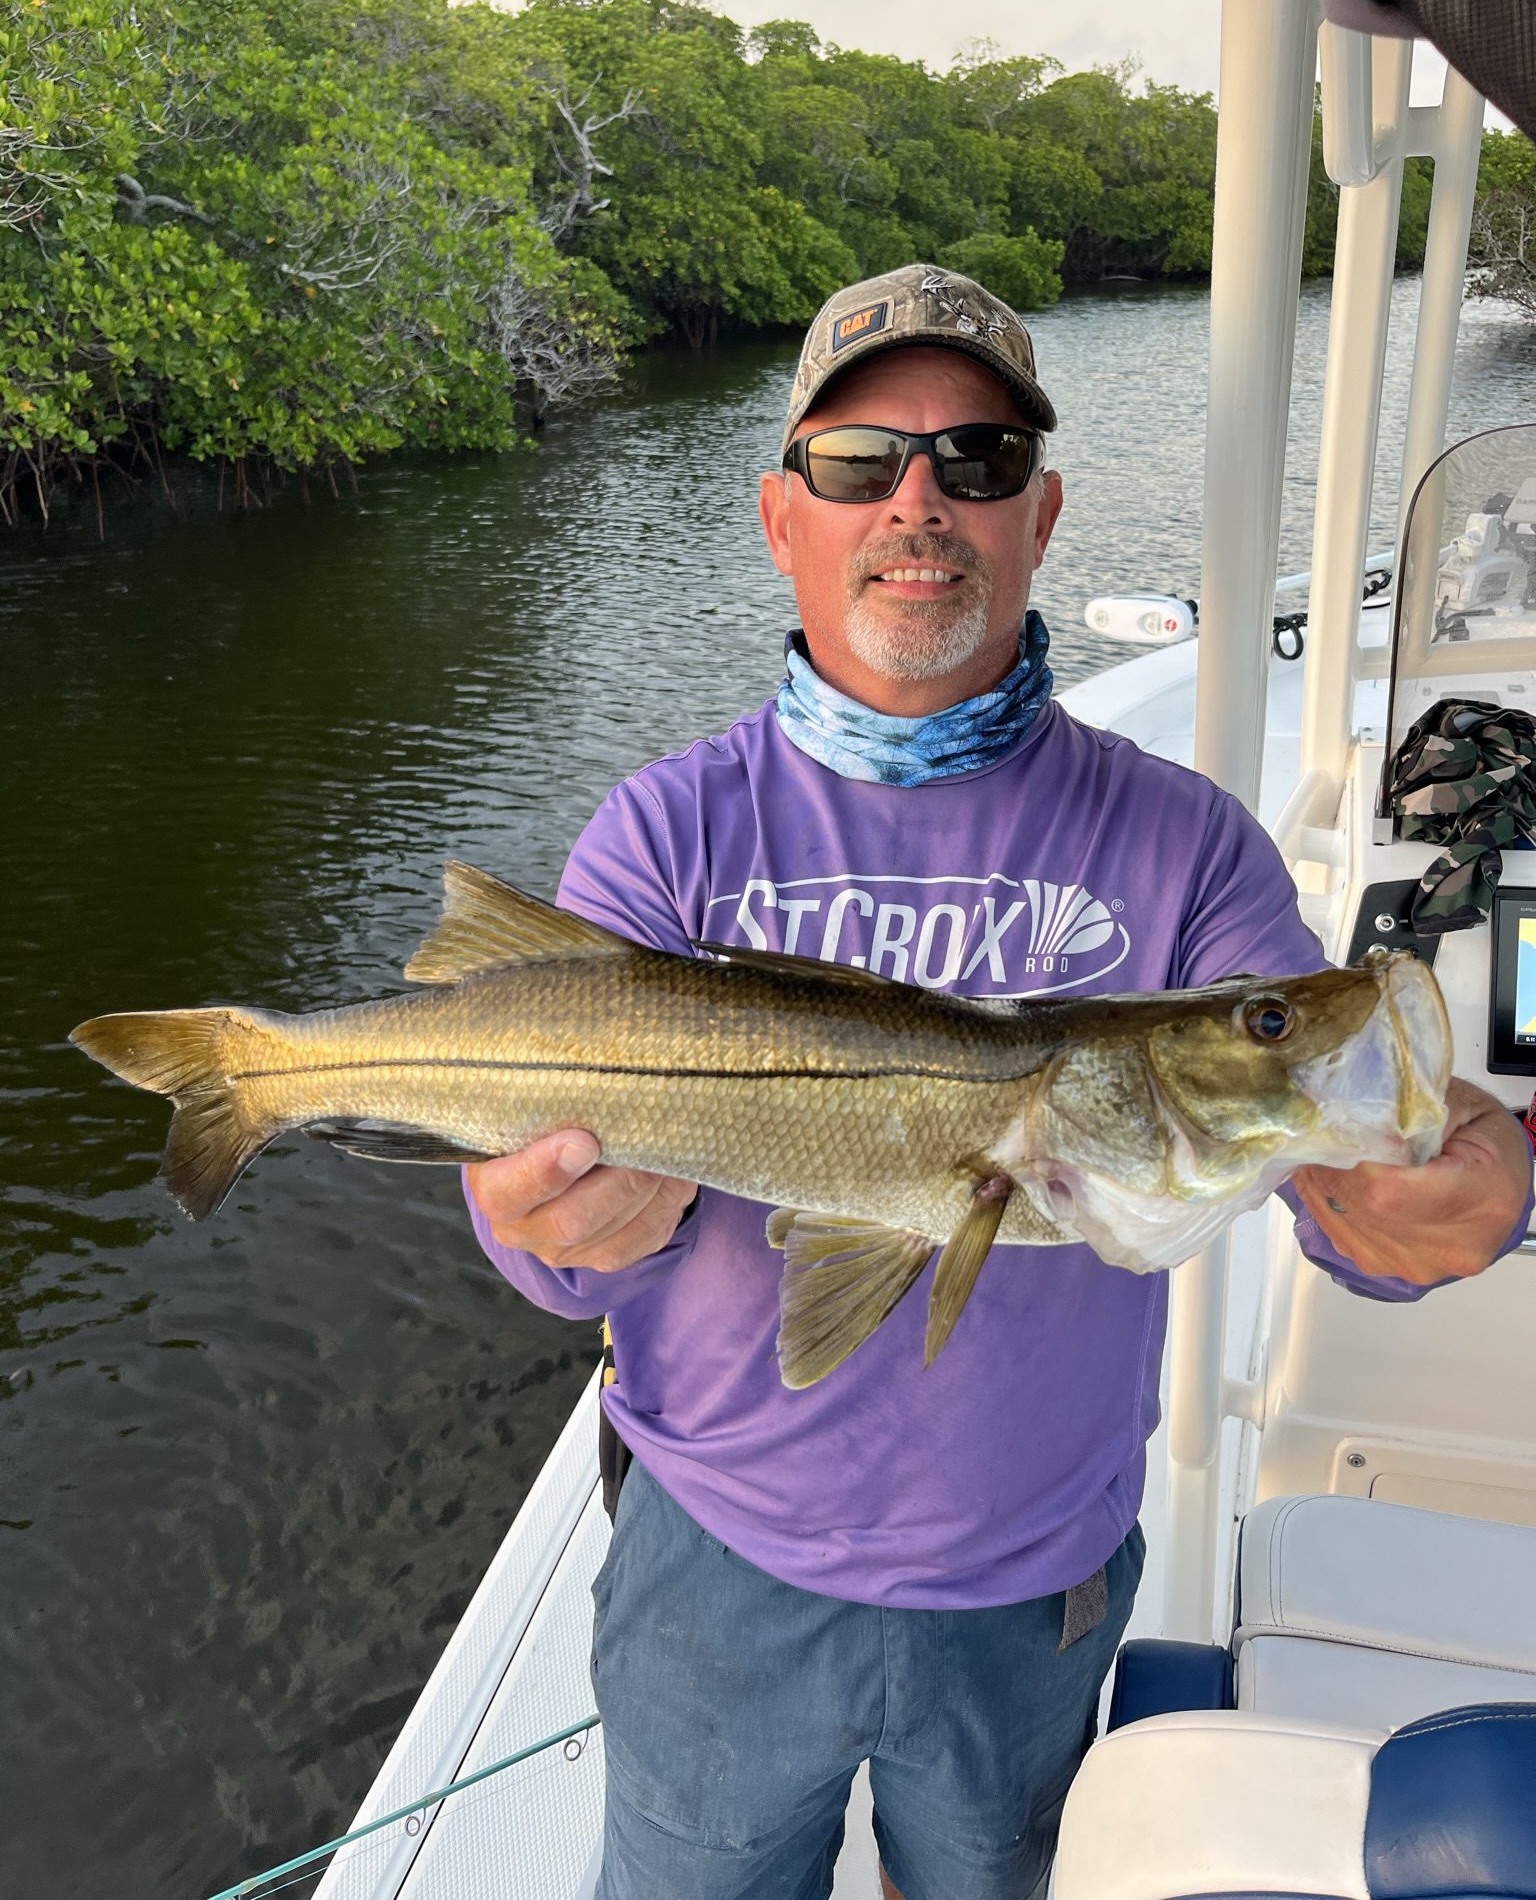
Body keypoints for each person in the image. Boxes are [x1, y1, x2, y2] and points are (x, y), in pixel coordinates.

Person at [465, 265, 1534, 1900]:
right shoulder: (668, 835)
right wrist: (554, 1226)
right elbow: (544, 1257)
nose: (918, 504)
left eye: (974, 461)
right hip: (717, 1565)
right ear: (782, 517)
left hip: (1037, 1584)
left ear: (1041, 515)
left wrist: (1441, 1192)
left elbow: (1350, 1203)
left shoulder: (1183, 845)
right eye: (857, 464)